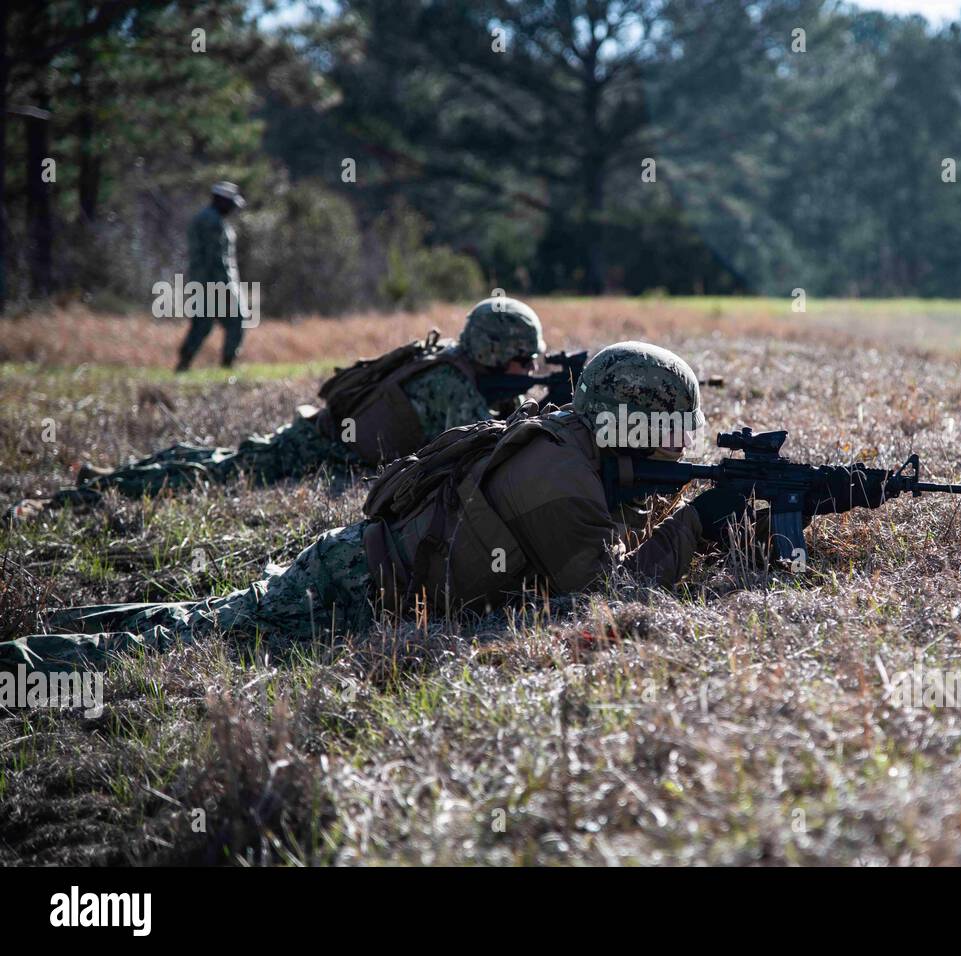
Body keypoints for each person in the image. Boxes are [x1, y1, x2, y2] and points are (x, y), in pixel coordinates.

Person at [0, 342, 883, 672]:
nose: (672, 452)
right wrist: (698, 523)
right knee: (181, 646)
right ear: (627, 422)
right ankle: (28, 662)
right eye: (664, 434)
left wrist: (708, 510)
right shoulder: (564, 481)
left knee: (200, 623)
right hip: (352, 592)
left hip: (367, 566)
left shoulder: (573, 447)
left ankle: (75, 624)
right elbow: (603, 604)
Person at [8, 297, 548, 522]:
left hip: (319, 437)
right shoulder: (454, 388)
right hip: (313, 451)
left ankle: (101, 480)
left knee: (212, 459)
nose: (526, 370)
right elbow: (477, 452)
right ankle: (74, 497)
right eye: (522, 359)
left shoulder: (453, 366)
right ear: (496, 352)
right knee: (213, 469)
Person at [177, 181, 247, 372]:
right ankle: (227, 366)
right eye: (230, 203)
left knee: (202, 325)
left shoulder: (207, 218)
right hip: (215, 284)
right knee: (236, 320)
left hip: (204, 282)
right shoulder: (212, 221)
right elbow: (216, 258)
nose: (233, 208)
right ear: (221, 200)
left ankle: (184, 365)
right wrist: (225, 286)